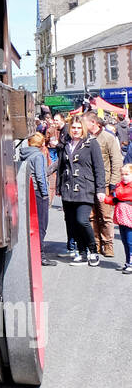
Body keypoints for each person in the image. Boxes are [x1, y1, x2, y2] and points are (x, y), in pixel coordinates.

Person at [56, 116, 106, 264]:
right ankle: (82, 253)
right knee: (72, 223)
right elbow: (61, 167)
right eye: (73, 127)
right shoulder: (66, 144)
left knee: (82, 220)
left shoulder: (91, 144)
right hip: (68, 189)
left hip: (85, 188)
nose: (76, 130)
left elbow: (99, 168)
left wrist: (101, 189)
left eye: (78, 128)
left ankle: (93, 250)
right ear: (69, 129)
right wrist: (59, 187)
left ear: (83, 129)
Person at [84, 110, 122, 258]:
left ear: (93, 123)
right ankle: (96, 244)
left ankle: (108, 245)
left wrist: (114, 182)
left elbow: (117, 160)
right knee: (91, 217)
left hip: (104, 183)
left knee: (105, 216)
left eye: (84, 122)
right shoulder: (85, 138)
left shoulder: (108, 138)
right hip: (88, 184)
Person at [19, 132, 56, 265]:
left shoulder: (24, 154)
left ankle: (33, 253)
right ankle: (40, 254)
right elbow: (40, 176)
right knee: (41, 224)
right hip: (39, 193)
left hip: (29, 191)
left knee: (31, 224)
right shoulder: (38, 155)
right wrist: (45, 194)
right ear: (40, 144)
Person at [109, 163, 132, 274]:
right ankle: (128, 262)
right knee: (124, 241)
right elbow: (113, 198)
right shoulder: (119, 185)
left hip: (129, 216)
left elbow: (122, 195)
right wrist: (106, 199)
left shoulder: (127, 187)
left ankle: (131, 263)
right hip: (121, 216)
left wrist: (117, 197)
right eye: (122, 174)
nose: (124, 176)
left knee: (129, 241)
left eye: (127, 174)